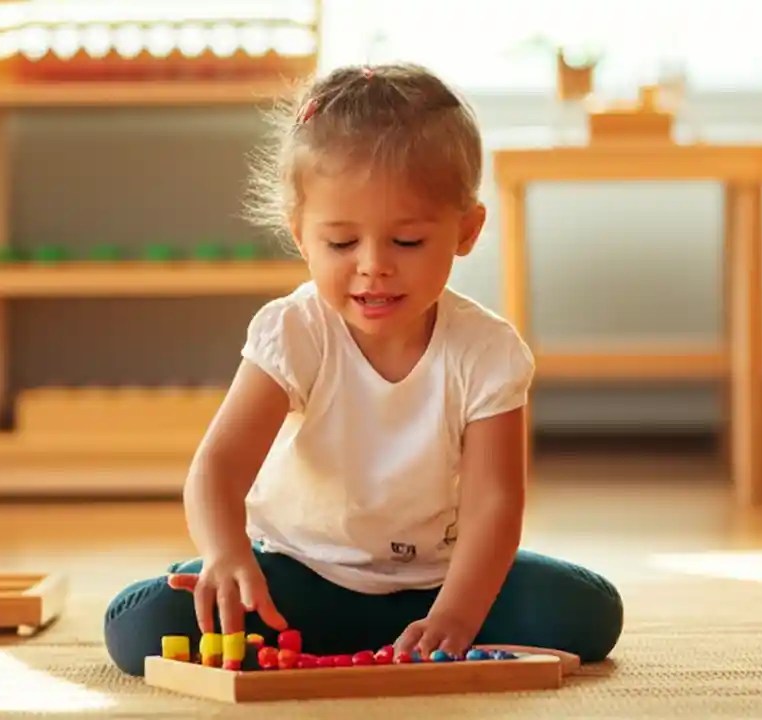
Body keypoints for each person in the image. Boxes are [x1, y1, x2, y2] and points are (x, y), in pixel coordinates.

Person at [103, 62, 623, 676]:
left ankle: (404, 635)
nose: (373, 267)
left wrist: (455, 616)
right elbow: (217, 468)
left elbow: (495, 505)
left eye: (406, 243)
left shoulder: (488, 351)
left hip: (440, 586)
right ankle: (347, 634)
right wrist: (226, 554)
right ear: (301, 236)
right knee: (136, 623)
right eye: (342, 243)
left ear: (466, 230)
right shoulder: (295, 331)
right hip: (300, 578)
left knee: (590, 612)